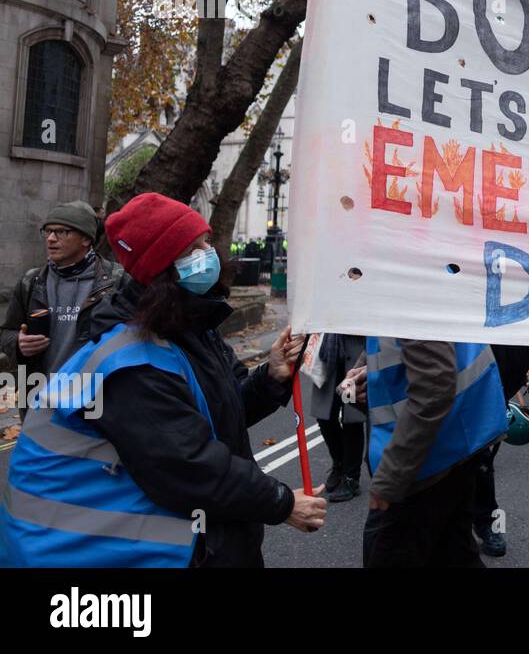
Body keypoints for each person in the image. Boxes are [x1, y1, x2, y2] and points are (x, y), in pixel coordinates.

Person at [0, 192, 326, 566]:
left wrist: (270, 377)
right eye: (194, 247)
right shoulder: (130, 362)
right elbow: (188, 464)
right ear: (162, 267)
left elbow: (220, 410)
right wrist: (283, 503)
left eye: (205, 242)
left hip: (205, 539)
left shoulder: (191, 325)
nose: (209, 255)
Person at [361, 336, 508, 568]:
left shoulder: (407, 300)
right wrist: (368, 373)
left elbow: (434, 386)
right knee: (454, 553)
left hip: (427, 459)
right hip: (450, 445)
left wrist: (391, 477)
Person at [0, 201, 123, 384]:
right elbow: (6, 332)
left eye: (62, 232)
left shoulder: (116, 281)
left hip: (94, 395)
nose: (50, 238)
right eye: (48, 231)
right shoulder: (31, 281)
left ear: (86, 239)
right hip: (39, 393)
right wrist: (18, 343)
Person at [471, 343, 529, 557]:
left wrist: (498, 399)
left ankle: (487, 525)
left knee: (481, 461)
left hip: (490, 385)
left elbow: (521, 355)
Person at [308, 333, 367, 502]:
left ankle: (351, 477)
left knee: (351, 418)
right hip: (328, 355)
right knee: (324, 416)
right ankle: (340, 463)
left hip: (356, 356)